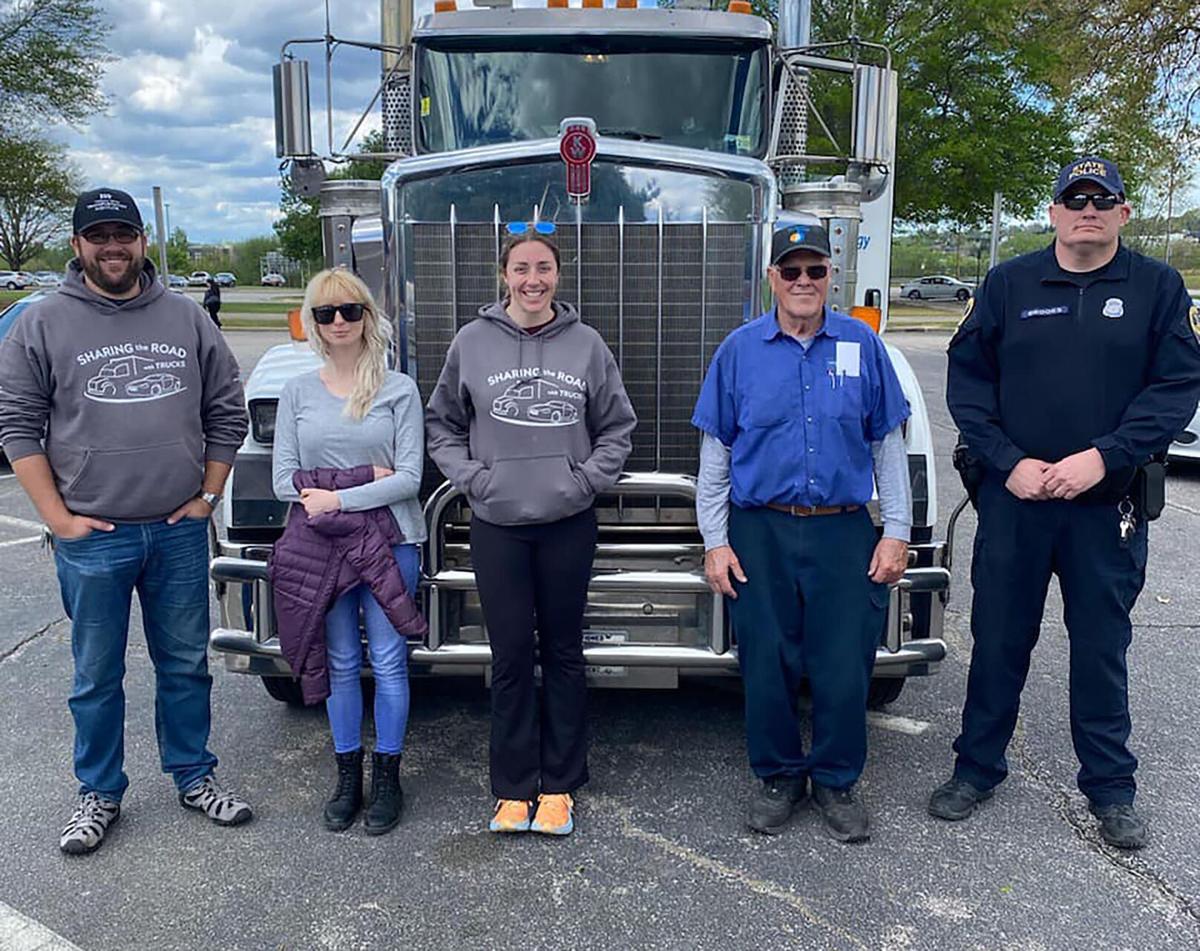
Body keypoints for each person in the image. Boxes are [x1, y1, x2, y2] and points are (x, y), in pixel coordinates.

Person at [930, 156, 1200, 850]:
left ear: (1123, 212)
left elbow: (1175, 388)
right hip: (1017, 501)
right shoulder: (1009, 283)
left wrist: (1104, 456)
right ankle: (976, 768)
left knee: (1102, 648)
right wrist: (1007, 462)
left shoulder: (1158, 288)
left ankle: (1111, 787)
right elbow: (968, 385)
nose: (1087, 209)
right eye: (1074, 198)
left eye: (1101, 199)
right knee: (998, 641)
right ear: (1052, 212)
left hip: (1103, 508)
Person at [0, 187, 252, 855]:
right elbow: (18, 428)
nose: (113, 246)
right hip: (93, 539)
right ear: (78, 245)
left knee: (184, 664)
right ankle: (99, 791)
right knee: (95, 673)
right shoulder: (43, 322)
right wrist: (57, 517)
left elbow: (228, 410)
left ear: (143, 241)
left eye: (124, 233)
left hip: (176, 530)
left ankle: (195, 774)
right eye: (98, 234)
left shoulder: (185, 318)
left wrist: (207, 497)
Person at [693, 222, 911, 843]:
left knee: (844, 665)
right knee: (766, 661)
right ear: (773, 280)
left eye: (815, 270)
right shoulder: (738, 350)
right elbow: (716, 457)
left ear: (830, 276)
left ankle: (838, 781)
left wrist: (895, 530)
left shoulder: (862, 345)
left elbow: (886, 446)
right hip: (759, 530)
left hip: (843, 530)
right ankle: (779, 776)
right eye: (791, 271)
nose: (804, 282)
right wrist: (716, 540)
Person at [426, 223, 636, 836]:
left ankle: (560, 787)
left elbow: (617, 427)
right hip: (497, 523)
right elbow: (442, 424)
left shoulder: (587, 344)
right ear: (504, 276)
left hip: (568, 522)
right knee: (511, 655)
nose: (532, 280)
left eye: (543, 268)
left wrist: (581, 482)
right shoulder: (472, 342)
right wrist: (474, 480)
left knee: (565, 654)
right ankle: (513, 788)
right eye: (521, 268)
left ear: (557, 276)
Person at [271, 268, 426, 835]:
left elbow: (409, 478)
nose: (338, 322)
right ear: (313, 322)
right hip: (321, 546)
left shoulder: (397, 388)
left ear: (367, 315)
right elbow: (284, 479)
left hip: (391, 541)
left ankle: (387, 774)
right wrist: (360, 481)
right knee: (339, 661)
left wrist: (335, 494)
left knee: (387, 660)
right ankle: (346, 775)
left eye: (349, 311)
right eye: (324, 313)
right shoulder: (297, 392)